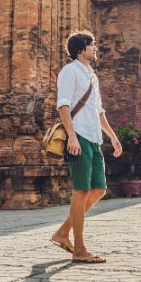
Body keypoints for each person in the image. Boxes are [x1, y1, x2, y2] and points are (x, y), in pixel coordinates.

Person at [50, 30, 122, 263]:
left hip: (94, 138)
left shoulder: (92, 75)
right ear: (81, 49)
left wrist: (112, 136)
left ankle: (62, 233)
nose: (96, 49)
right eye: (92, 45)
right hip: (79, 136)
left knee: (99, 189)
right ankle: (79, 249)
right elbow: (63, 106)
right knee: (81, 190)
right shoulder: (69, 72)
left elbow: (98, 110)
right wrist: (71, 136)